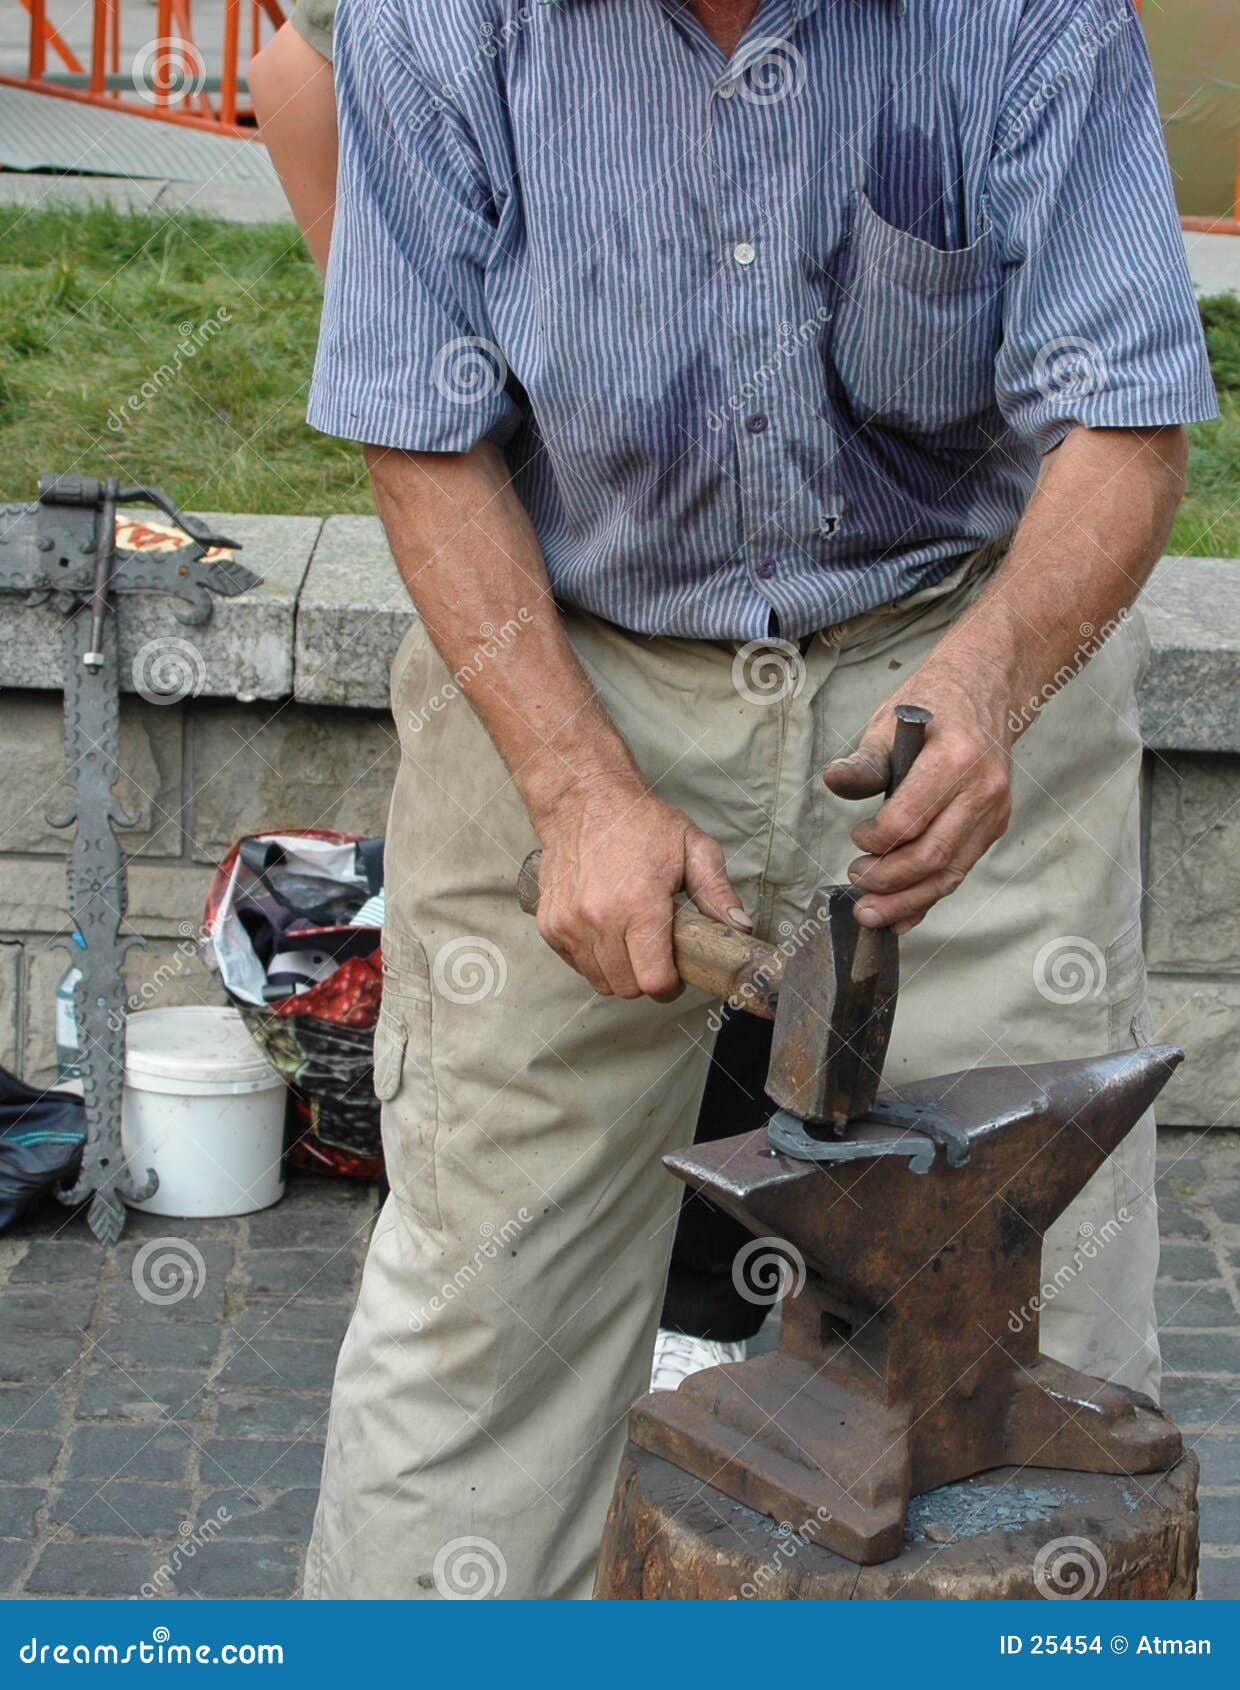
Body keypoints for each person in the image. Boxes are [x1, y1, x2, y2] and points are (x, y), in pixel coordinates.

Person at [295, 0, 1216, 1600]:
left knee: (1033, 1321)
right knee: (480, 1320)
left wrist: (991, 687)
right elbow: (418, 431)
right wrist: (574, 785)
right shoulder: (435, 18)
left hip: (958, 635)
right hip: (566, 644)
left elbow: (1126, 418)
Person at [249, 0, 771, 1387]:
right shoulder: (411, 32)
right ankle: (653, 1311)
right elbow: (297, 66)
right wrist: (429, 373)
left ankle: (711, 1294)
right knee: (569, 968)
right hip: (554, 570)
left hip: (817, 586)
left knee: (744, 956)